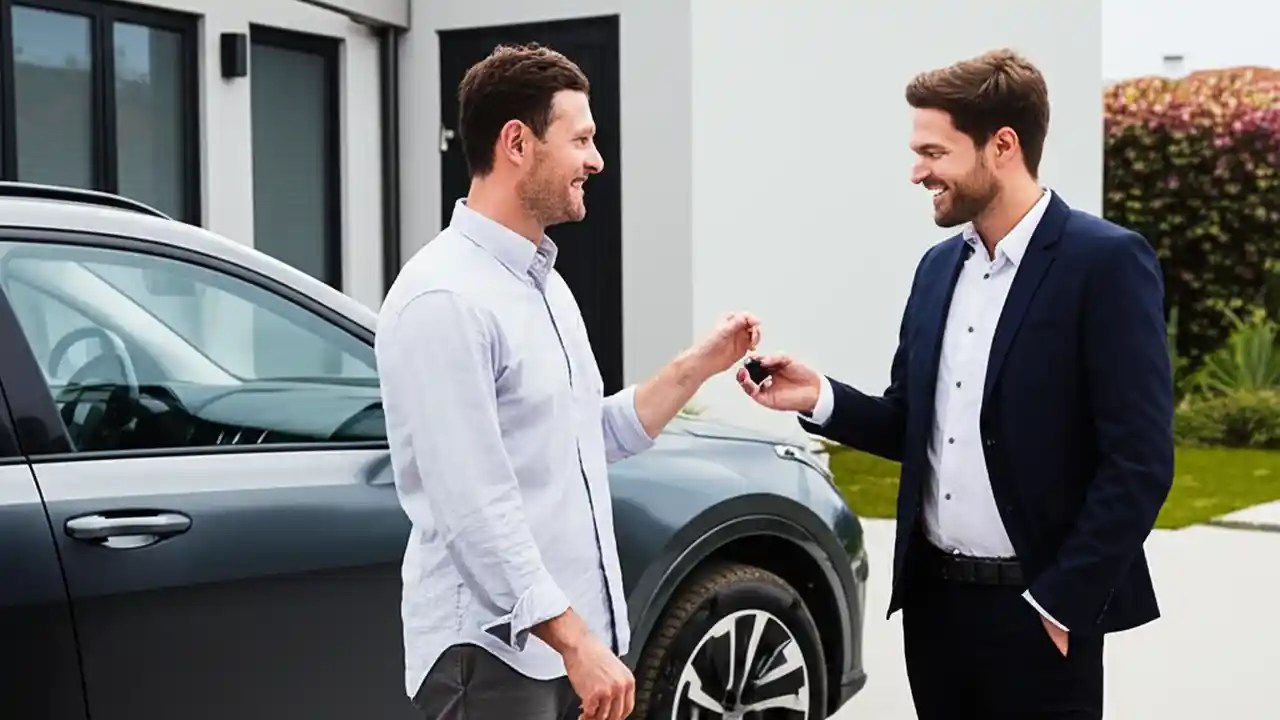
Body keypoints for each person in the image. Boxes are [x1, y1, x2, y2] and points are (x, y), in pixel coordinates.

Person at [736, 49, 1173, 718]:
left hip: (1041, 616)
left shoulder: (1106, 262)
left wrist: (1060, 603)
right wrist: (819, 395)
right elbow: (913, 422)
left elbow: (1140, 461)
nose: (918, 171)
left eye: (934, 151)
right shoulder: (937, 269)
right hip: (936, 611)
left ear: (1001, 146)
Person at [375, 43, 760, 720]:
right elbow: (474, 507)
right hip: (496, 658)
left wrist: (700, 362)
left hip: (565, 648)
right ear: (517, 143)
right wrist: (575, 640)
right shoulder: (444, 299)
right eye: (580, 139)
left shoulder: (541, 285)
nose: (596, 160)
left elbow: (588, 435)